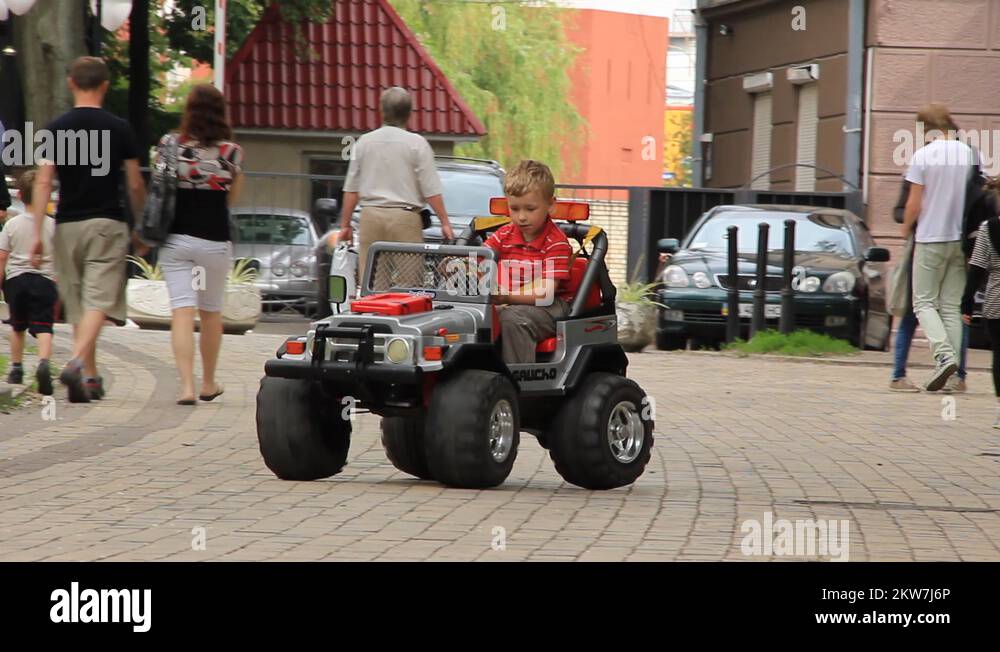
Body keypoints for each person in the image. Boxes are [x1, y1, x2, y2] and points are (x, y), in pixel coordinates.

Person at [29, 56, 147, 403]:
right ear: (105, 86)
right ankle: (78, 362)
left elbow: (44, 181)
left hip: (67, 223)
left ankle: (91, 378)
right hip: (107, 221)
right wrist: (139, 224)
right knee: (99, 300)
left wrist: (37, 231)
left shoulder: (55, 128)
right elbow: (136, 184)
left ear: (71, 83)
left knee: (80, 304)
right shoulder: (120, 128)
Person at [157, 84, 243, 405]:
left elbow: (159, 187)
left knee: (181, 310)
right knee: (210, 313)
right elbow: (231, 199)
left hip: (175, 239)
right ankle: (208, 382)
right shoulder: (231, 152)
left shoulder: (168, 145)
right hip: (213, 242)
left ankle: (186, 387)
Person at [337, 86, 454, 283]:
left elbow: (351, 189)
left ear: (381, 111)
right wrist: (444, 222)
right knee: (409, 282)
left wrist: (345, 225)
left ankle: (373, 311)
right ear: (409, 114)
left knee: (372, 280)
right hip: (405, 218)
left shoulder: (364, 143)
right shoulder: (417, 144)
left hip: (371, 217)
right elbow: (431, 189)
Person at [902, 103, 975, 392]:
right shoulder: (968, 153)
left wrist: (905, 227)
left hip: (930, 237)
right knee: (950, 306)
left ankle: (943, 356)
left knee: (923, 302)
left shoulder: (923, 155)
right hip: (959, 240)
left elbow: (914, 202)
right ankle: (955, 374)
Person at [484, 160, 573, 364]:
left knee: (513, 319)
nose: (521, 217)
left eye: (530, 209)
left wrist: (506, 296)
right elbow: (481, 257)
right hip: (511, 300)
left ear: (551, 205)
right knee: (473, 316)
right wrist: (463, 266)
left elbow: (545, 292)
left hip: (550, 307)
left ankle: (517, 383)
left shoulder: (556, 243)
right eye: (514, 209)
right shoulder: (504, 235)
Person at [890, 178, 969, 392]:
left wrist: (907, 226)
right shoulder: (920, 177)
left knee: (943, 309)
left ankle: (953, 371)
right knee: (915, 314)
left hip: (935, 245)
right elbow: (900, 210)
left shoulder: (935, 167)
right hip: (926, 245)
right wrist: (915, 219)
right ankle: (899, 375)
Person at [0, 171, 57, 395]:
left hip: (16, 281)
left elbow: (3, 256)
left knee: (17, 325)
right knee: (44, 327)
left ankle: (16, 367)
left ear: (20, 195)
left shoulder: (12, 224)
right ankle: (43, 362)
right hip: (44, 280)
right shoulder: (53, 226)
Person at [961, 179, 1000, 427]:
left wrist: (966, 303)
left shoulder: (989, 228)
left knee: (999, 356)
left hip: (996, 303)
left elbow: (976, 268)